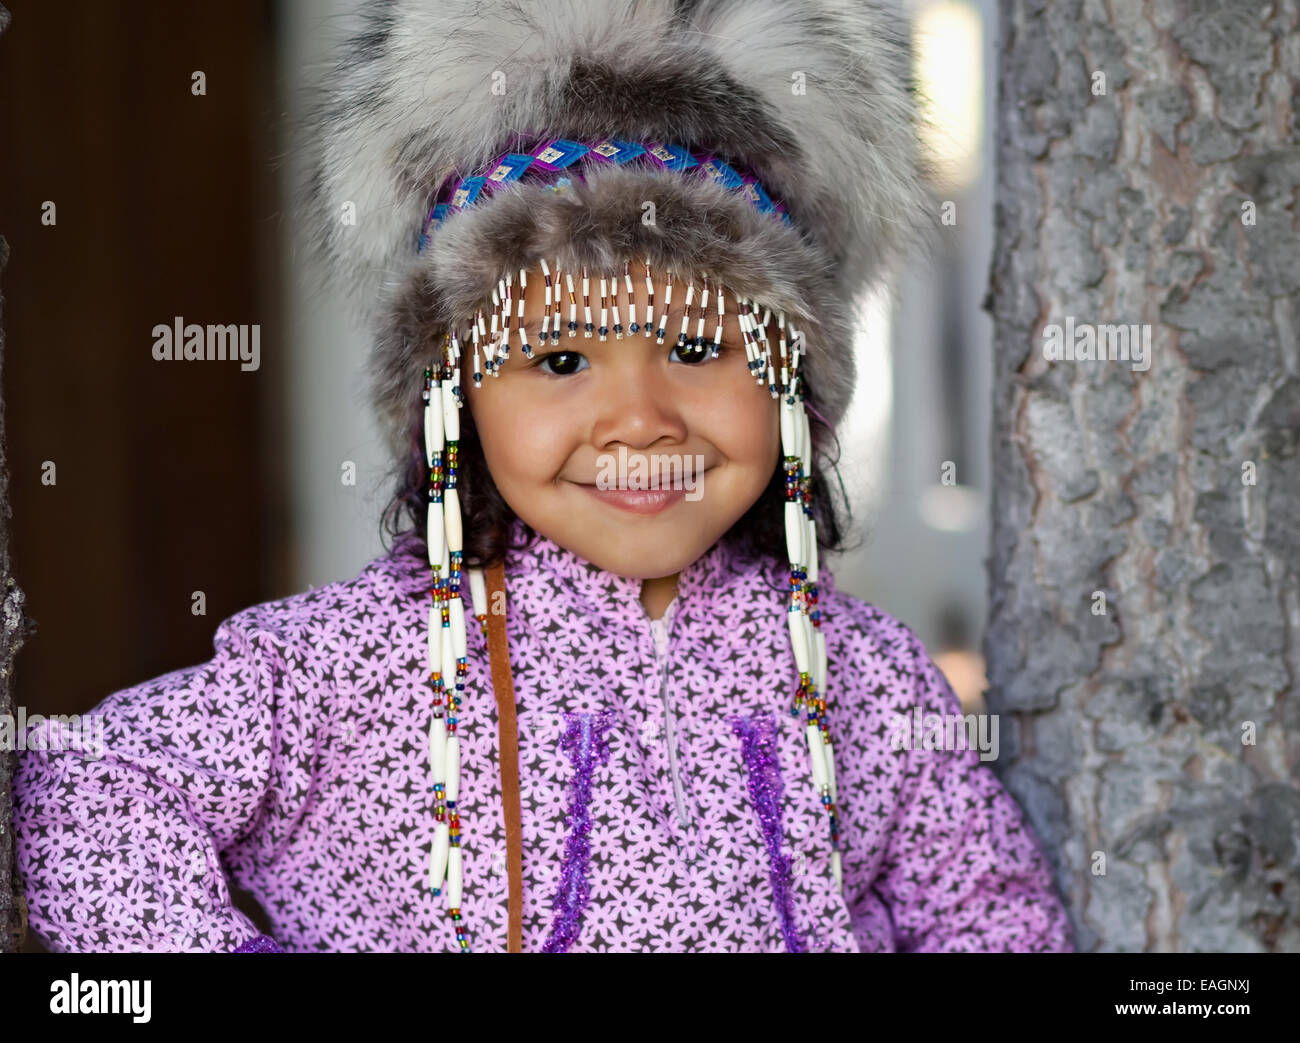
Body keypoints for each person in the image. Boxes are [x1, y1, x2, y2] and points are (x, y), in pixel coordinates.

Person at [13, 0, 1073, 953]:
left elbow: (987, 911)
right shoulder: (350, 665)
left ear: (794, 383)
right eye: (559, 361)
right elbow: (96, 787)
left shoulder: (866, 678)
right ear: (453, 398)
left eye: (699, 350)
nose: (639, 416)